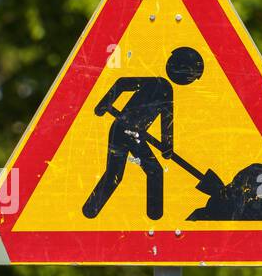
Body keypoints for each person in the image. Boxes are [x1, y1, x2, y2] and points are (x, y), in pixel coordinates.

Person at [81, 47, 204, 221]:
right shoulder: (158, 84)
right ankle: (154, 218)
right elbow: (122, 83)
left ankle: (90, 210)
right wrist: (103, 103)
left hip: (127, 132)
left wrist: (167, 147)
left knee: (116, 174)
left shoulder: (165, 88)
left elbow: (166, 122)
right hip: (126, 131)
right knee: (151, 172)